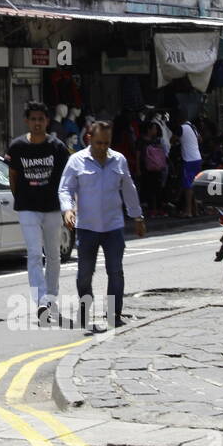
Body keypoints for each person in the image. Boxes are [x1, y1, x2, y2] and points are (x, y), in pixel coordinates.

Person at [58, 121, 147, 332]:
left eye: (106, 143)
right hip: (87, 227)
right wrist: (67, 210)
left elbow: (129, 190)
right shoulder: (76, 161)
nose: (102, 147)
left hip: (113, 226)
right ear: (89, 139)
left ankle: (114, 314)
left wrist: (137, 217)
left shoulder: (119, 160)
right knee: (84, 274)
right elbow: (65, 189)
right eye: (98, 143)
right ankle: (85, 310)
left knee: (115, 272)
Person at [7, 102, 69, 324]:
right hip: (27, 208)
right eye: (33, 119)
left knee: (53, 256)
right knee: (34, 254)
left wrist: (68, 206)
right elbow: (12, 176)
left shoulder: (58, 147)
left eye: (41, 119)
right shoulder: (17, 146)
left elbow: (66, 179)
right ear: (27, 121)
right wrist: (20, 198)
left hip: (52, 208)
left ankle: (51, 299)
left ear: (47, 121)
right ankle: (41, 301)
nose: (37, 123)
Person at [136, 122, 168, 217]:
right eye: (154, 129)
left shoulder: (157, 140)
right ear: (148, 130)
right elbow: (138, 154)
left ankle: (159, 208)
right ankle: (151, 209)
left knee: (158, 188)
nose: (155, 131)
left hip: (157, 168)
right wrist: (138, 168)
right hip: (146, 168)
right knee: (149, 188)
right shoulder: (141, 140)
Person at [178, 116, 203, 217]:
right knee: (195, 184)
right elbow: (200, 139)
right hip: (197, 158)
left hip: (188, 159)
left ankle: (188, 211)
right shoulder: (192, 126)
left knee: (188, 186)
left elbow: (171, 140)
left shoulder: (181, 127)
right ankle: (195, 210)